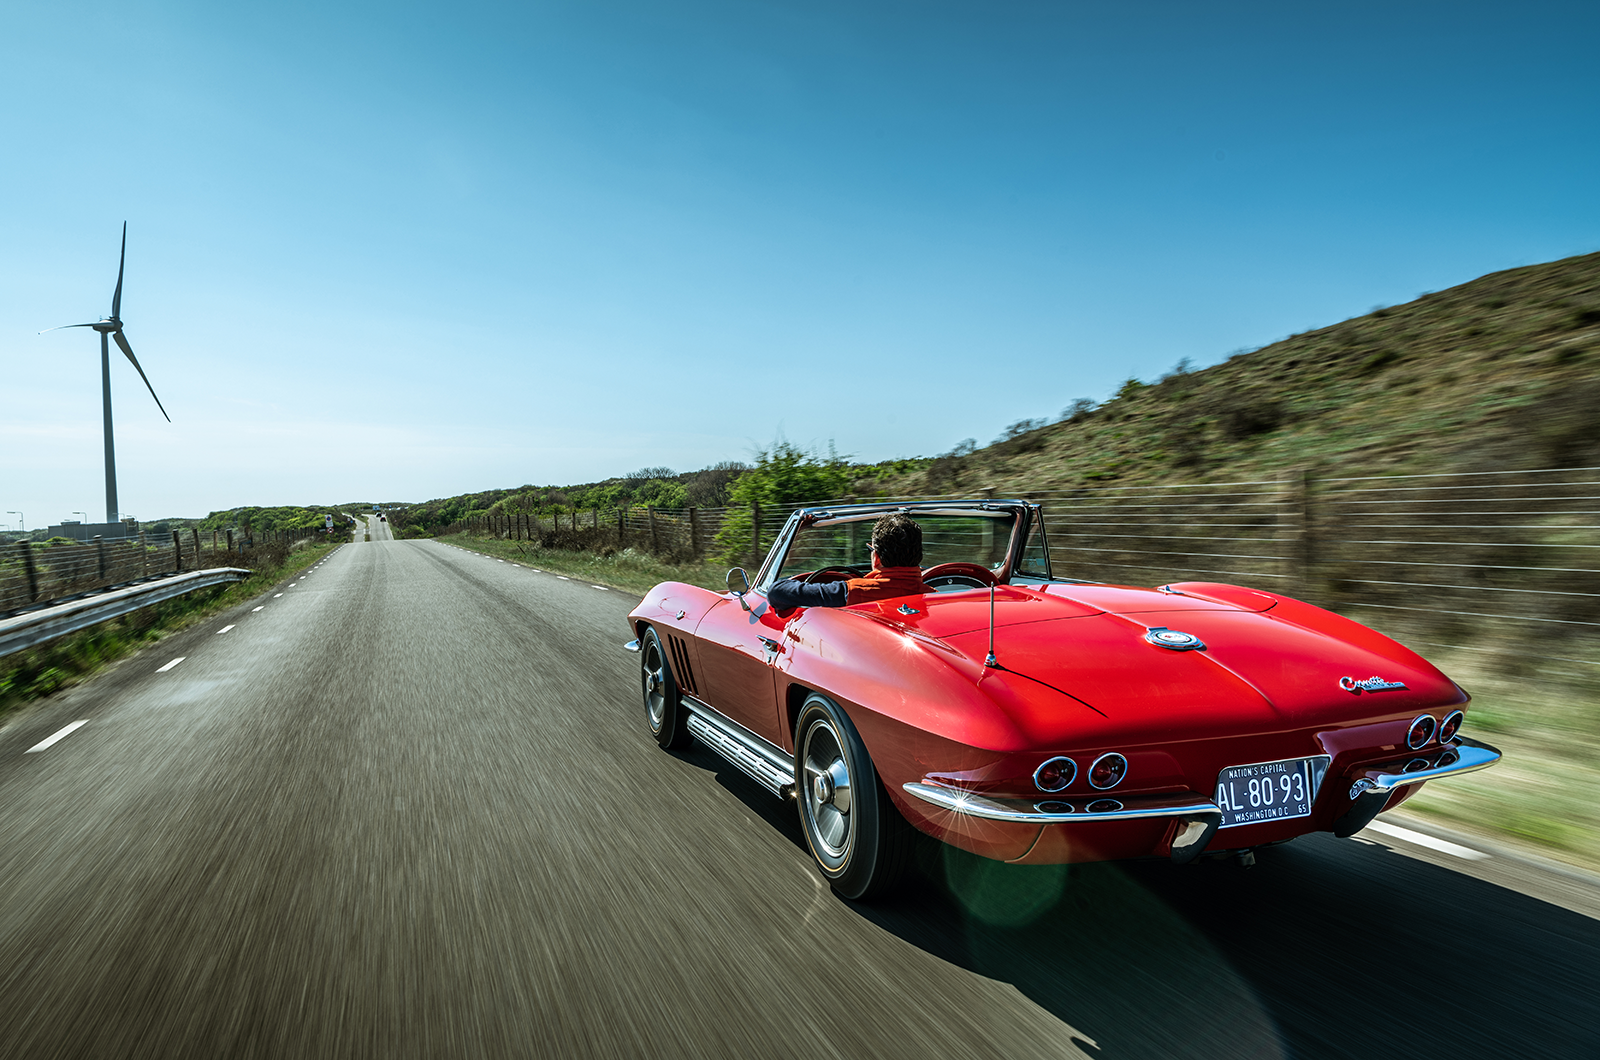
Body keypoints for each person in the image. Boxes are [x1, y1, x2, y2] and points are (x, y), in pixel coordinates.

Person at [768, 512, 929, 610]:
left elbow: (776, 592)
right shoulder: (934, 597)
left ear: (877, 558)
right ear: (918, 556)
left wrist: (800, 536)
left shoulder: (850, 592)